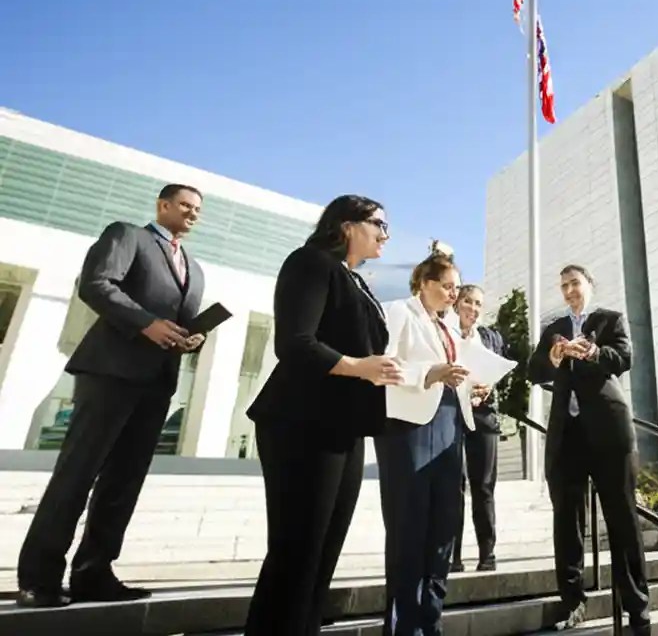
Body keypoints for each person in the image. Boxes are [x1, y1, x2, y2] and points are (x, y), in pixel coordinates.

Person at [16, 184, 207, 609]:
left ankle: (94, 574)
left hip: (156, 382)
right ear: (162, 205)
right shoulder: (127, 235)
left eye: (198, 209)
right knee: (77, 474)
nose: (193, 214)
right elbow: (96, 284)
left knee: (123, 483)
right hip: (110, 372)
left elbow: (179, 320)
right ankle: (38, 578)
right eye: (185, 205)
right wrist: (145, 323)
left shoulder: (195, 267)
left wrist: (192, 337)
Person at [243, 195, 403, 636]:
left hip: (344, 427)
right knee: (297, 552)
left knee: (322, 556)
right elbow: (295, 342)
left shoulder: (357, 281)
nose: (386, 235)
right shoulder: (310, 263)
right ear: (347, 225)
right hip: (302, 422)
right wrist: (358, 367)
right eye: (379, 224)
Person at [529, 265, 650, 635]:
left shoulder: (609, 320)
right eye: (563, 285)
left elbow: (624, 357)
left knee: (622, 516)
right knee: (567, 520)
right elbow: (534, 370)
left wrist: (595, 352)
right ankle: (572, 601)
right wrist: (553, 359)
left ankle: (636, 607)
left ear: (589, 286)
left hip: (609, 431)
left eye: (575, 283)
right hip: (567, 436)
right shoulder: (553, 328)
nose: (569, 291)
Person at [375, 246, 474, 636]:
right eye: (447, 286)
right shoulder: (399, 311)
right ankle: (404, 627)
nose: (454, 294)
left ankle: (431, 622)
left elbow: (456, 372)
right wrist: (428, 374)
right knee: (409, 531)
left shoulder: (449, 328)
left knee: (443, 531)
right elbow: (381, 364)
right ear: (424, 283)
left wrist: (472, 388)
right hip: (409, 430)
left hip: (450, 426)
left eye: (457, 288)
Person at [451, 284, 505, 573]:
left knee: (483, 486)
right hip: (451, 416)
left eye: (478, 304)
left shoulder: (489, 337)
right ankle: (453, 557)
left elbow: (497, 373)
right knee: (453, 487)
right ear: (457, 304)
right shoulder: (443, 333)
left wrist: (489, 387)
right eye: (468, 302)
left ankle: (487, 554)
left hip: (483, 418)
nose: (473, 308)